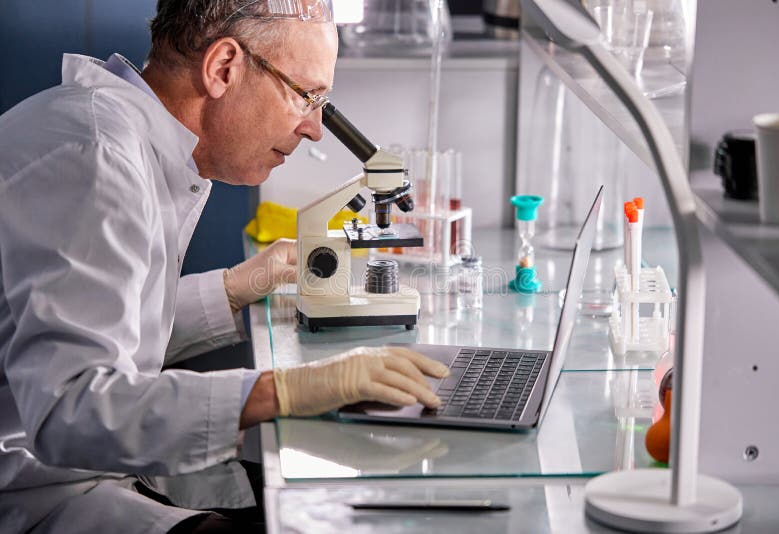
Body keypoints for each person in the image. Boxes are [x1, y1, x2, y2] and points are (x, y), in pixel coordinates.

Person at [0, 1, 449, 532]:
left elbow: (110, 335)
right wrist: (286, 390)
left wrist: (238, 288)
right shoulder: (97, 159)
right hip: (37, 495)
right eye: (307, 96)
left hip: (77, 473)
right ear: (223, 68)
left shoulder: (127, 140)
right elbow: (69, 410)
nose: (314, 130)